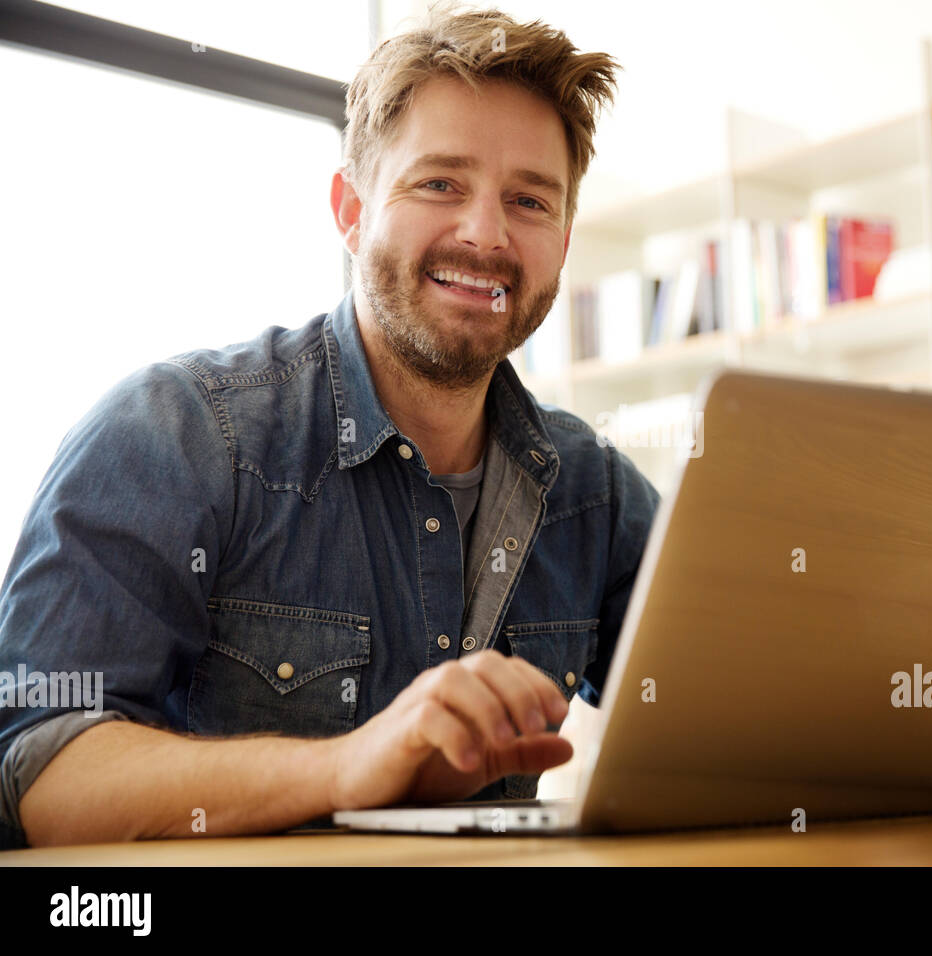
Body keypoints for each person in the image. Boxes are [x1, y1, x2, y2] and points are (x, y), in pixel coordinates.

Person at [0, 3, 658, 849]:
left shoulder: (595, 492)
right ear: (350, 210)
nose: (485, 234)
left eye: (529, 200)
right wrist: (352, 766)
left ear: (563, 242)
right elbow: (38, 772)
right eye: (440, 183)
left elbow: (734, 702)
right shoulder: (175, 432)